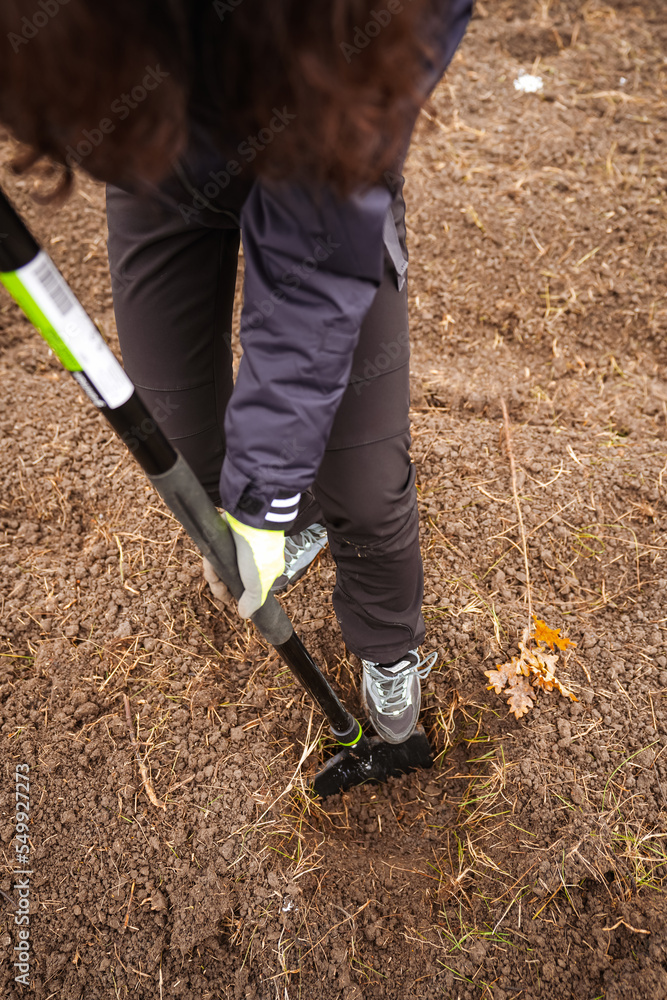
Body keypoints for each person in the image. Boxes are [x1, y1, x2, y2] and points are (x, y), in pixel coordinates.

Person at [0, 0, 472, 744]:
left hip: (325, 162)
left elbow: (311, 287)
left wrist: (262, 496)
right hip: (159, 164)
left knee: (364, 483)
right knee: (180, 437)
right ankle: (292, 522)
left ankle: (388, 645)